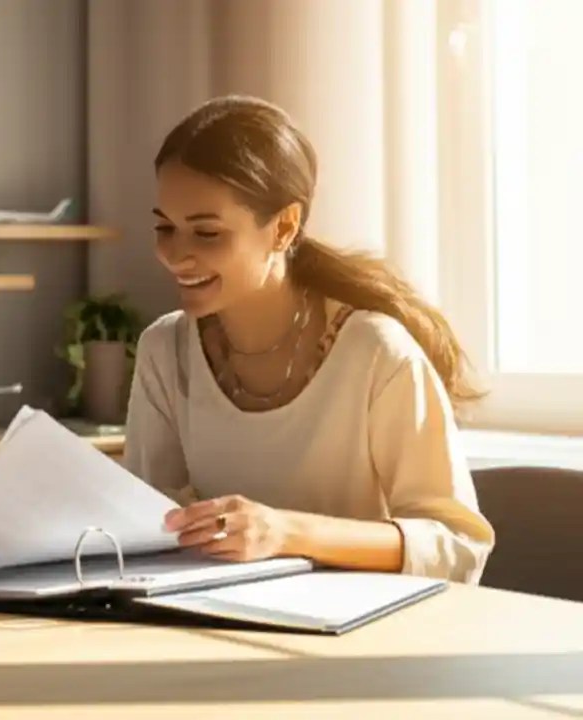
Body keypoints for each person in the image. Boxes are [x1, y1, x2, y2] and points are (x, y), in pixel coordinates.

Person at [124, 95, 494, 583]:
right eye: (164, 228)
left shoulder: (377, 352)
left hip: (360, 640)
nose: (176, 255)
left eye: (207, 233)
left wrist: (284, 532)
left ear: (283, 227)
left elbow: (456, 546)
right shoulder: (163, 350)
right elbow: (144, 524)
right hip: (213, 628)